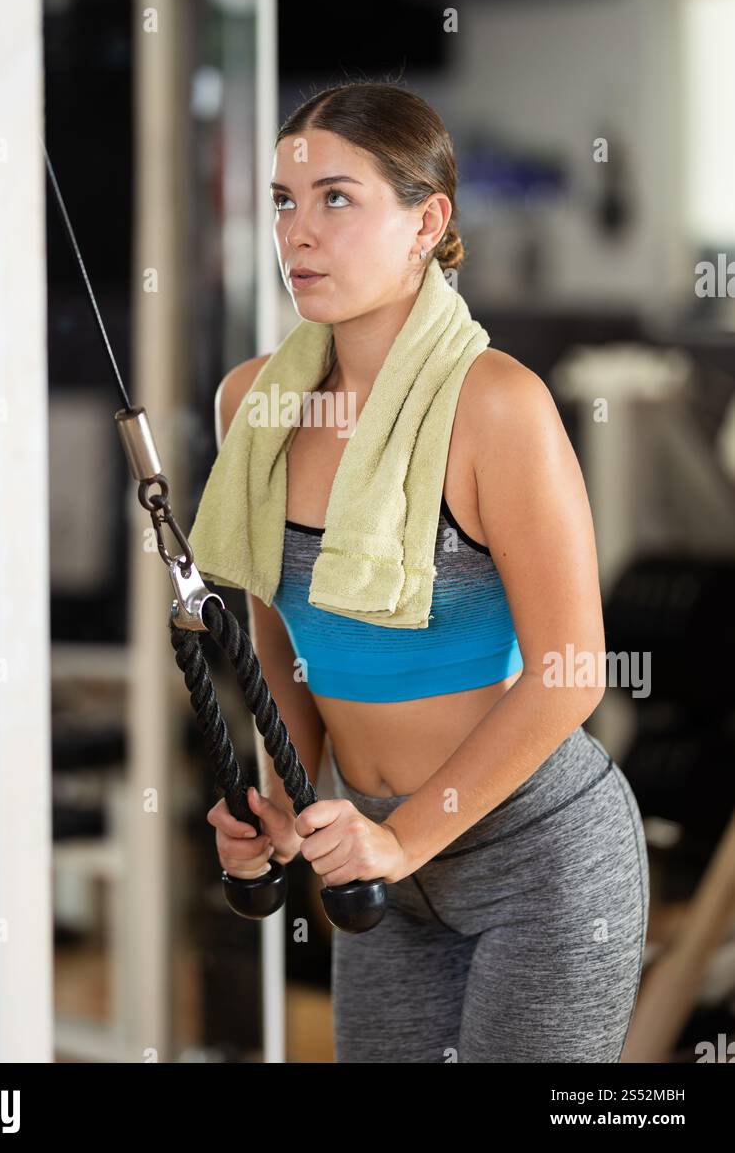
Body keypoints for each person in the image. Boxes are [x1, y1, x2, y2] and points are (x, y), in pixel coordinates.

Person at [207, 79, 649, 1063]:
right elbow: (276, 625)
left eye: (336, 198)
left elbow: (570, 672)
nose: (299, 232)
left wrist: (407, 836)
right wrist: (285, 798)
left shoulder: (497, 407)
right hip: (375, 866)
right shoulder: (253, 402)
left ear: (426, 221)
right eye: (284, 199)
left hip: (537, 863)